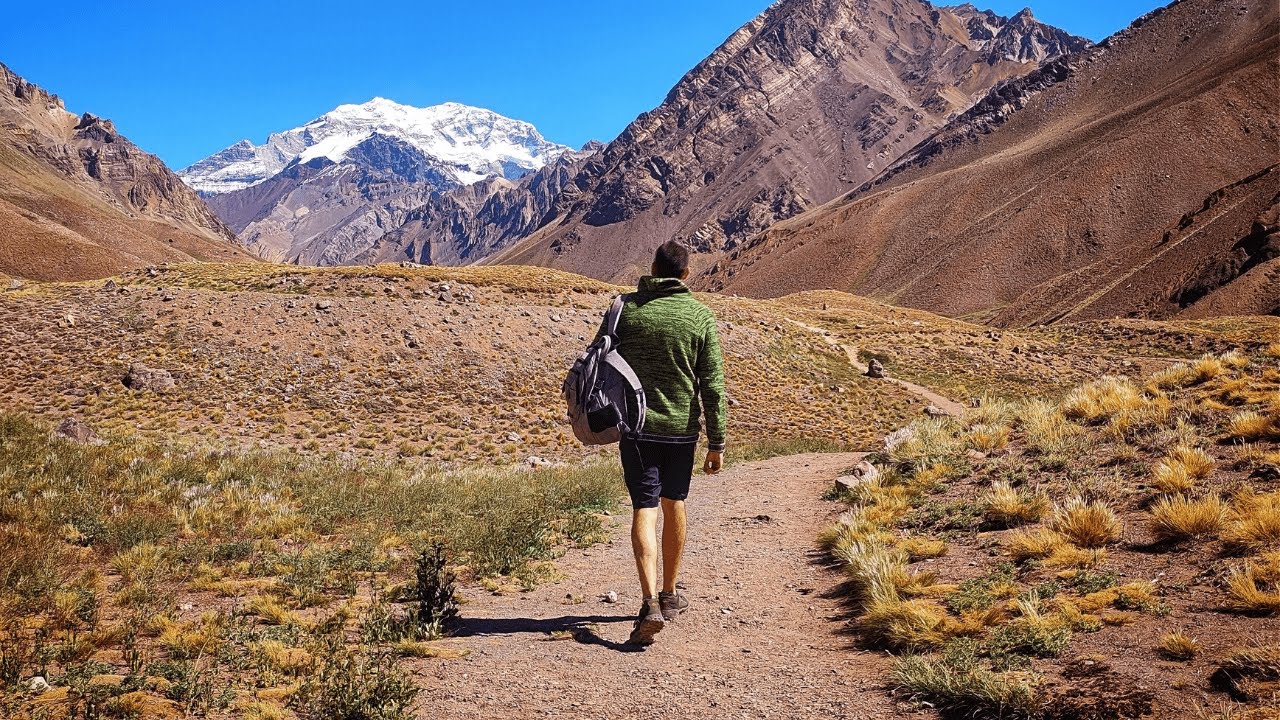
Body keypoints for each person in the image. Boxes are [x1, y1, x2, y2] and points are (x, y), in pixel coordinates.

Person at [598, 240, 727, 646]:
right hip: (682, 431)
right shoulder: (700, 316)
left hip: (636, 428)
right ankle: (670, 594)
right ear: (686, 274)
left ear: (652, 268)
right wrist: (716, 442)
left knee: (644, 508)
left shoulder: (624, 309)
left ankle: (649, 601)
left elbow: (601, 360)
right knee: (675, 503)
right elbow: (713, 386)